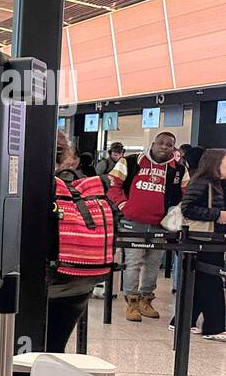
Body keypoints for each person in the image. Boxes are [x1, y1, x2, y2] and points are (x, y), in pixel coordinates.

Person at [106, 131, 178, 321]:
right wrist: (124, 206)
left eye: (169, 144)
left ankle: (147, 299)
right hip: (132, 223)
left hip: (160, 225)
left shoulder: (178, 169)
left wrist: (174, 215)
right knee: (133, 263)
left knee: (153, 264)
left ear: (174, 148)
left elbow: (184, 194)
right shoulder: (130, 161)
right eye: (161, 143)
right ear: (153, 144)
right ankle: (132, 302)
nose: (164, 146)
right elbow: (113, 187)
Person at [47, 132, 97, 352]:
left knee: (21, 360)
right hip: (79, 281)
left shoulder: (26, 183)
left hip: (44, 284)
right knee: (53, 350)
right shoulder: (83, 182)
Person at [180, 148, 226, 342]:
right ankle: (214, 327)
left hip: (216, 238)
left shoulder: (220, 184)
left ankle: (183, 320)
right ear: (214, 163)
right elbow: (187, 208)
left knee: (202, 281)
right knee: (211, 280)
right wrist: (217, 215)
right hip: (203, 238)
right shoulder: (201, 182)